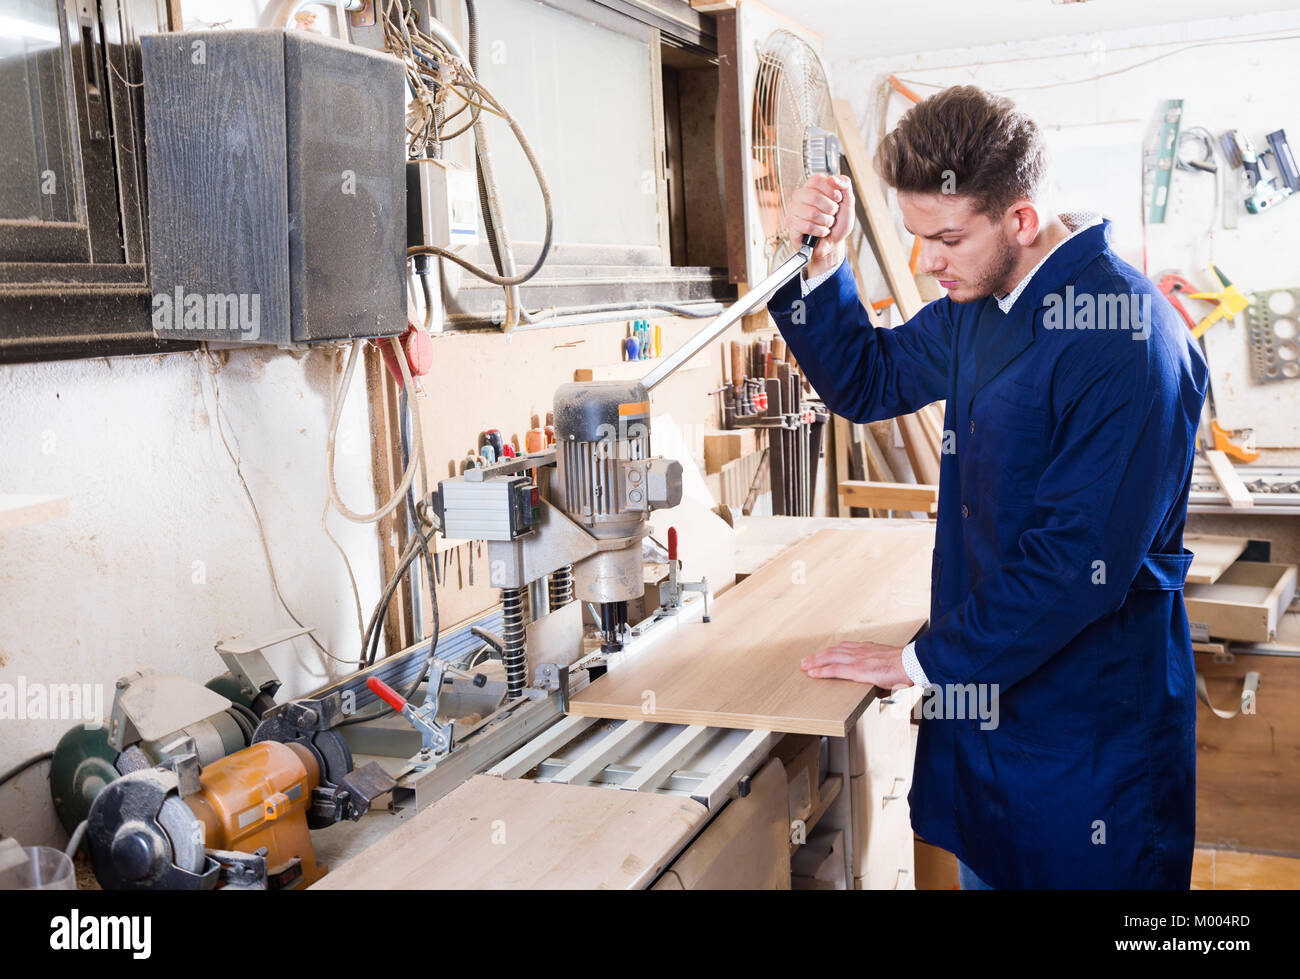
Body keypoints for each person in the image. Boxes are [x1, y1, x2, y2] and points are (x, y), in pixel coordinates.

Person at [770, 85, 1209, 889]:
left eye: (945, 238)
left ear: (1020, 218)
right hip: (992, 712)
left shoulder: (1125, 340)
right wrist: (823, 267)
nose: (926, 262)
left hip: (1091, 731)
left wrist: (920, 660)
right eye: (916, 238)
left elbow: (1073, 565)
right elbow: (868, 380)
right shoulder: (985, 302)